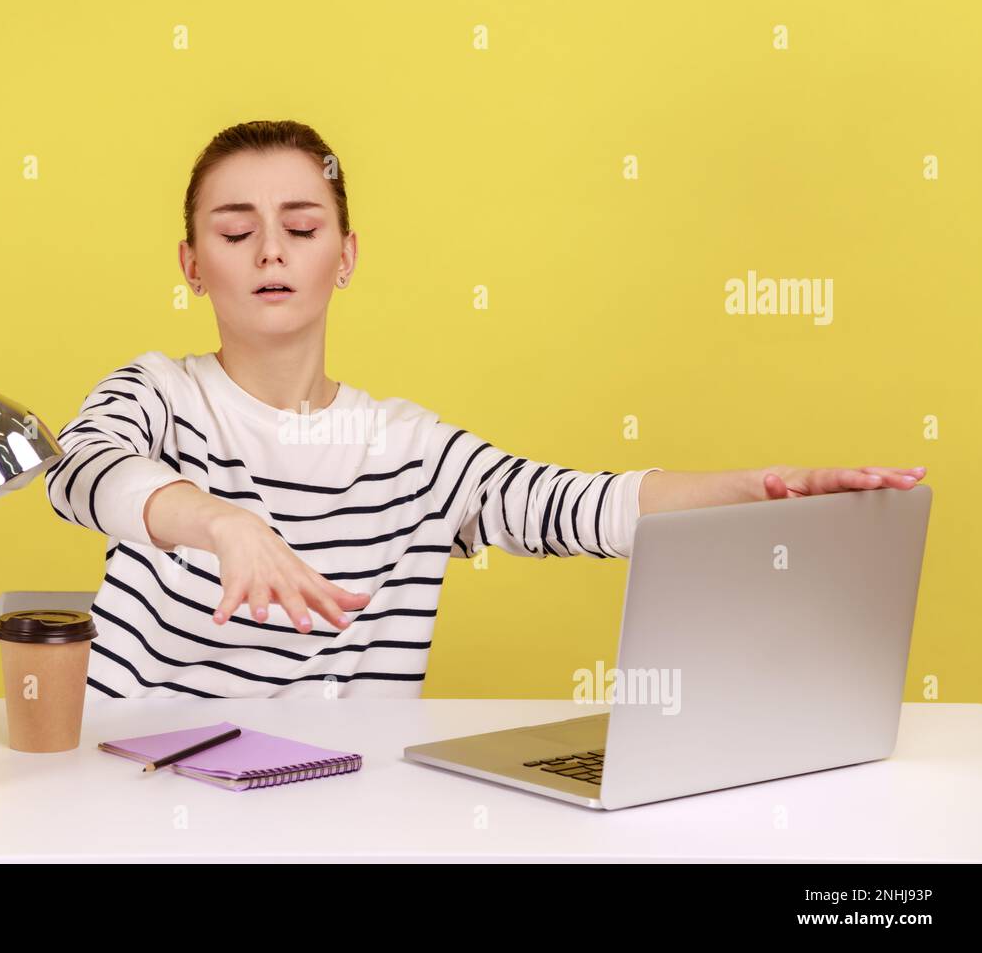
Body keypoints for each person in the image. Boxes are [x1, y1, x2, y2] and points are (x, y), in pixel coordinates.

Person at [45, 119, 926, 699]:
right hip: (139, 782)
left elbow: (581, 507)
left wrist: (769, 489)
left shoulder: (411, 450)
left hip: (345, 803)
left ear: (345, 258)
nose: (270, 250)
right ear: (193, 264)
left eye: (302, 229)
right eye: (236, 233)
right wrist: (220, 523)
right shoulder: (160, 393)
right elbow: (81, 470)